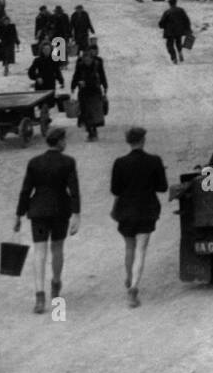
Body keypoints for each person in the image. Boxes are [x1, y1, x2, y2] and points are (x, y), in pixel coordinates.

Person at [14, 127, 80, 314]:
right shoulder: (68, 162)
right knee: (57, 248)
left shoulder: (35, 162)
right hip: (60, 211)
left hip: (39, 212)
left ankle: (39, 295)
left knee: (39, 251)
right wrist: (77, 214)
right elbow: (74, 190)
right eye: (64, 140)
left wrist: (18, 214)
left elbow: (26, 190)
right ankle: (56, 282)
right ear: (59, 142)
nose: (65, 143)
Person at [110, 126, 167, 308]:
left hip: (125, 210)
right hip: (147, 209)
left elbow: (115, 190)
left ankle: (129, 276)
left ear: (128, 142)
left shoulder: (120, 162)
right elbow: (162, 187)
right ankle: (134, 287)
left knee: (129, 247)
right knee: (141, 249)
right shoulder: (154, 160)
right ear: (143, 140)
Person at [71, 46, 108, 141]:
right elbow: (76, 76)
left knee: (93, 114)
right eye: (85, 59)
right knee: (85, 113)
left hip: (94, 92)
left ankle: (93, 132)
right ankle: (90, 131)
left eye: (89, 59)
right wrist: (73, 86)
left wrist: (105, 86)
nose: (87, 61)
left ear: (92, 59)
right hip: (83, 93)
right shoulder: (80, 65)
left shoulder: (97, 64)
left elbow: (102, 75)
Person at [158, 0, 192, 64]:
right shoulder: (181, 10)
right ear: (176, 3)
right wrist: (188, 28)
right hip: (179, 30)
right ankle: (179, 52)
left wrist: (162, 26)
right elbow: (186, 20)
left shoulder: (167, 12)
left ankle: (174, 58)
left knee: (169, 45)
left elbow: (161, 22)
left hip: (169, 31)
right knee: (178, 42)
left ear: (169, 4)